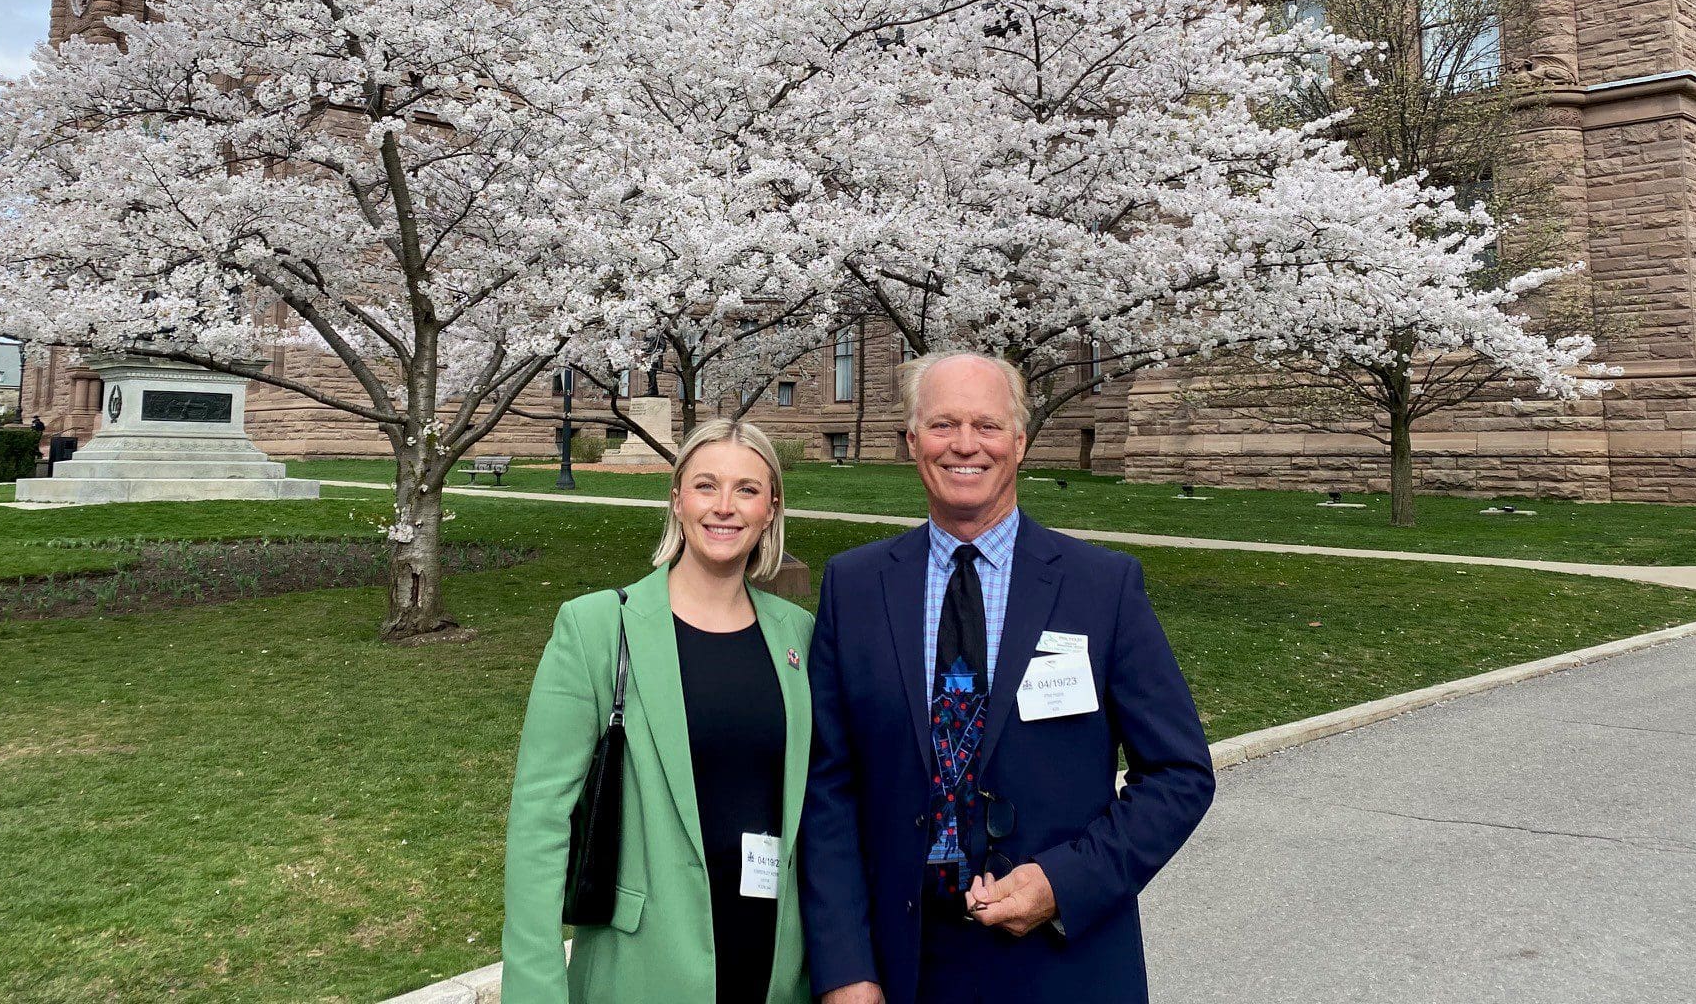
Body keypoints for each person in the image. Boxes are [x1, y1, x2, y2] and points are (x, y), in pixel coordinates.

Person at [801, 352, 1215, 1004]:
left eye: (987, 426)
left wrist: (1065, 883)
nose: (965, 444)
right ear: (912, 441)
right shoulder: (853, 587)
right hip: (902, 966)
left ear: (1020, 442)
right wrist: (845, 968)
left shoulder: (1100, 588)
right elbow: (827, 788)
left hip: (1062, 964)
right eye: (942, 425)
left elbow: (1180, 774)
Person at [503, 418, 815, 1004]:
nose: (725, 507)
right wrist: (534, 988)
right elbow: (540, 822)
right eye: (706, 485)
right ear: (676, 499)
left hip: (774, 963)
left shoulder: (799, 636)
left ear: (771, 508)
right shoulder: (597, 628)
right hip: (643, 963)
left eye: (747, 489)